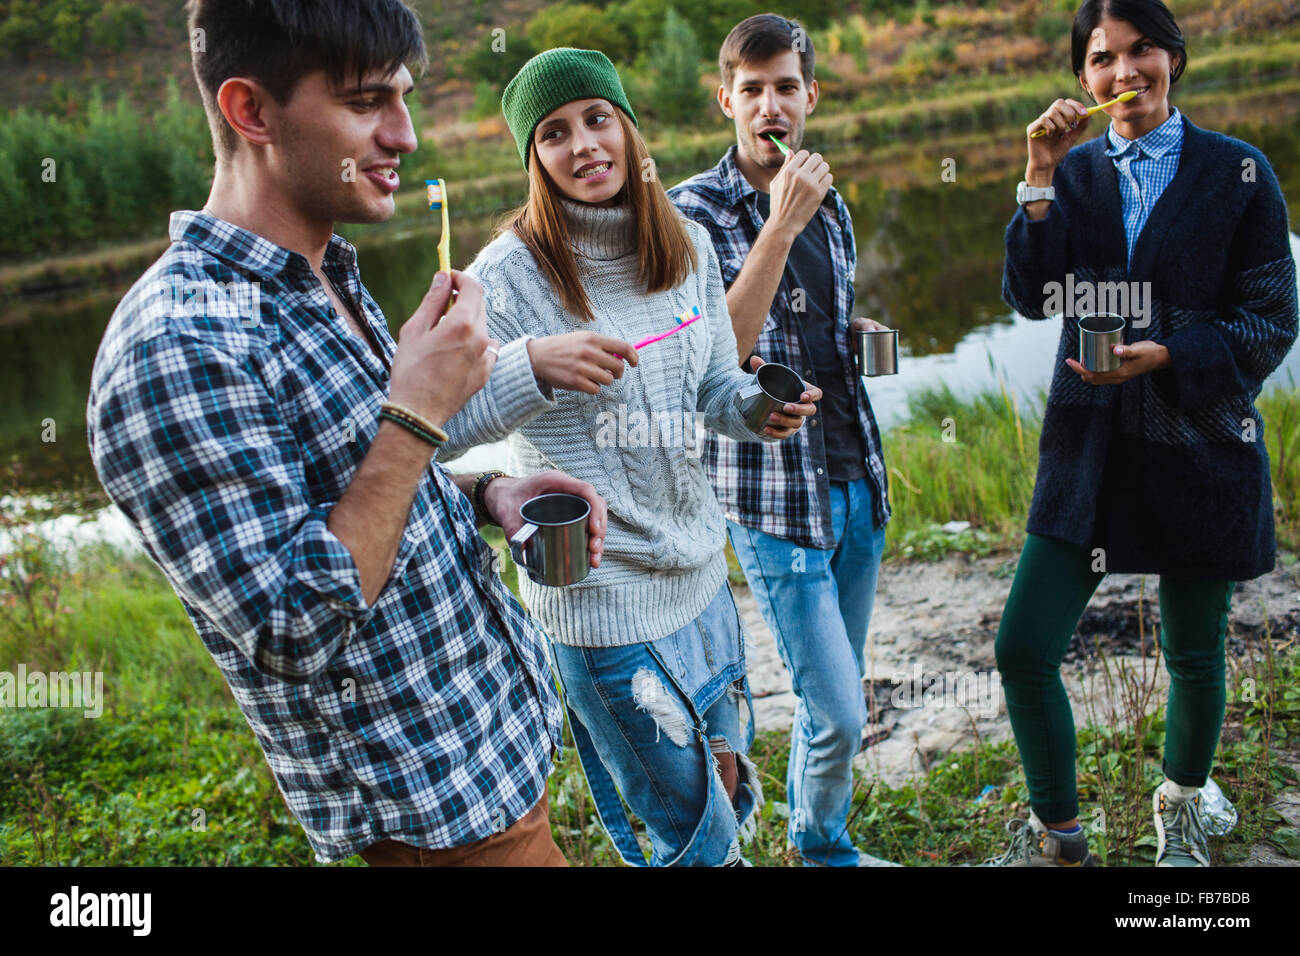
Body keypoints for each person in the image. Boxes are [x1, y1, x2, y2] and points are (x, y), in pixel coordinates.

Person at [86, 0, 609, 867]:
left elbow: (351, 491)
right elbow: (294, 627)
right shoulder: (177, 343)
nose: (404, 135)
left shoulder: (319, 270)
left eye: (403, 97)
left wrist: (487, 492)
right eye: (367, 103)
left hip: (489, 761)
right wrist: (417, 412)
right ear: (251, 112)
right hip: (429, 821)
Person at [446, 47, 821, 867]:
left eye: (596, 118)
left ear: (627, 126)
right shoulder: (505, 279)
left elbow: (717, 387)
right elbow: (429, 431)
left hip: (700, 575)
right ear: (533, 160)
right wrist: (529, 368)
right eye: (553, 134)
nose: (583, 145)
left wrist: (762, 410)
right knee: (691, 835)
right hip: (603, 606)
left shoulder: (683, 242)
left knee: (724, 782)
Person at [993, 0, 1297, 866]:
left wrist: (1168, 354)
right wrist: (1039, 176)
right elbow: (1027, 295)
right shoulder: (1075, 171)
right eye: (1102, 58)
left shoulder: (1239, 171)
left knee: (1194, 648)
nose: (1124, 73)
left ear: (1174, 57)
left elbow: (1273, 318)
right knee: (1024, 647)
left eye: (1142, 52)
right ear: (1082, 77)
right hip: (1086, 447)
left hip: (1201, 442)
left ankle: (1187, 806)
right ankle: (1056, 833)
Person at [667, 15, 896, 867]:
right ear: (727, 99)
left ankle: (812, 832)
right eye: (752, 89)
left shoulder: (827, 202)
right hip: (771, 499)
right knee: (838, 707)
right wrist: (782, 221)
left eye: (786, 87)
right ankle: (826, 851)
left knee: (835, 692)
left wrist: (851, 328)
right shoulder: (691, 212)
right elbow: (711, 354)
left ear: (810, 97)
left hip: (854, 481)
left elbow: (799, 328)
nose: (771, 104)